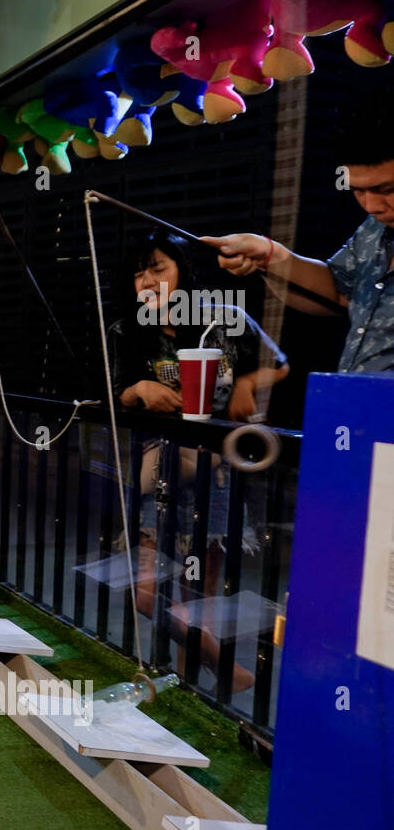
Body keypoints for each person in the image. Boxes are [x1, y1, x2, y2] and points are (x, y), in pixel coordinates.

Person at [109, 232, 289, 692]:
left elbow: (280, 363)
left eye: (159, 268)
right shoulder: (128, 330)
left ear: (184, 273)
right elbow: (110, 392)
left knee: (200, 595)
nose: (148, 281)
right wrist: (137, 390)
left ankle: (187, 689)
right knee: (146, 588)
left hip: (219, 474)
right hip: (160, 472)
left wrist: (248, 382)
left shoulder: (225, 318)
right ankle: (225, 669)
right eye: (138, 273)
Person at [201, 99, 394, 373]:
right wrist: (272, 256)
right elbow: (338, 292)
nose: (371, 206)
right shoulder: (373, 229)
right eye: (358, 191)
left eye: (386, 189)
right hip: (356, 402)